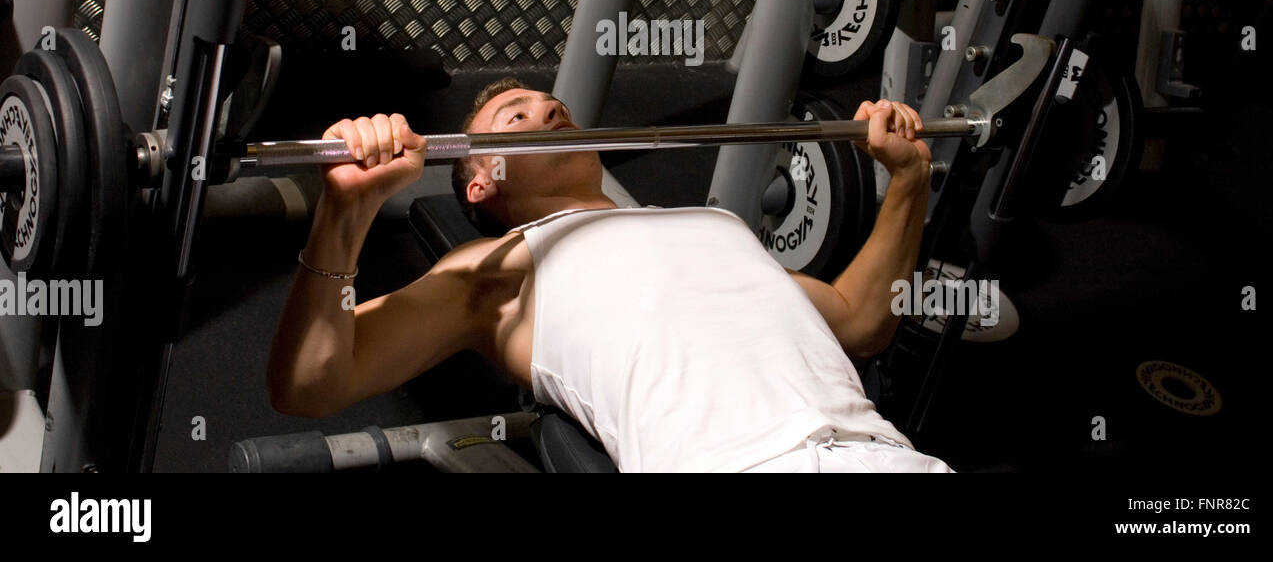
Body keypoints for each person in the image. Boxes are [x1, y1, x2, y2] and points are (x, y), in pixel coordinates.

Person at [267, 78, 952, 472]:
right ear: (478, 181)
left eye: (552, 105)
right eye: (518, 115)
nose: (549, 110)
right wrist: (344, 212)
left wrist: (910, 179)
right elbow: (309, 383)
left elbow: (861, 319)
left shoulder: (714, 224)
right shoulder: (498, 268)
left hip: (886, 454)